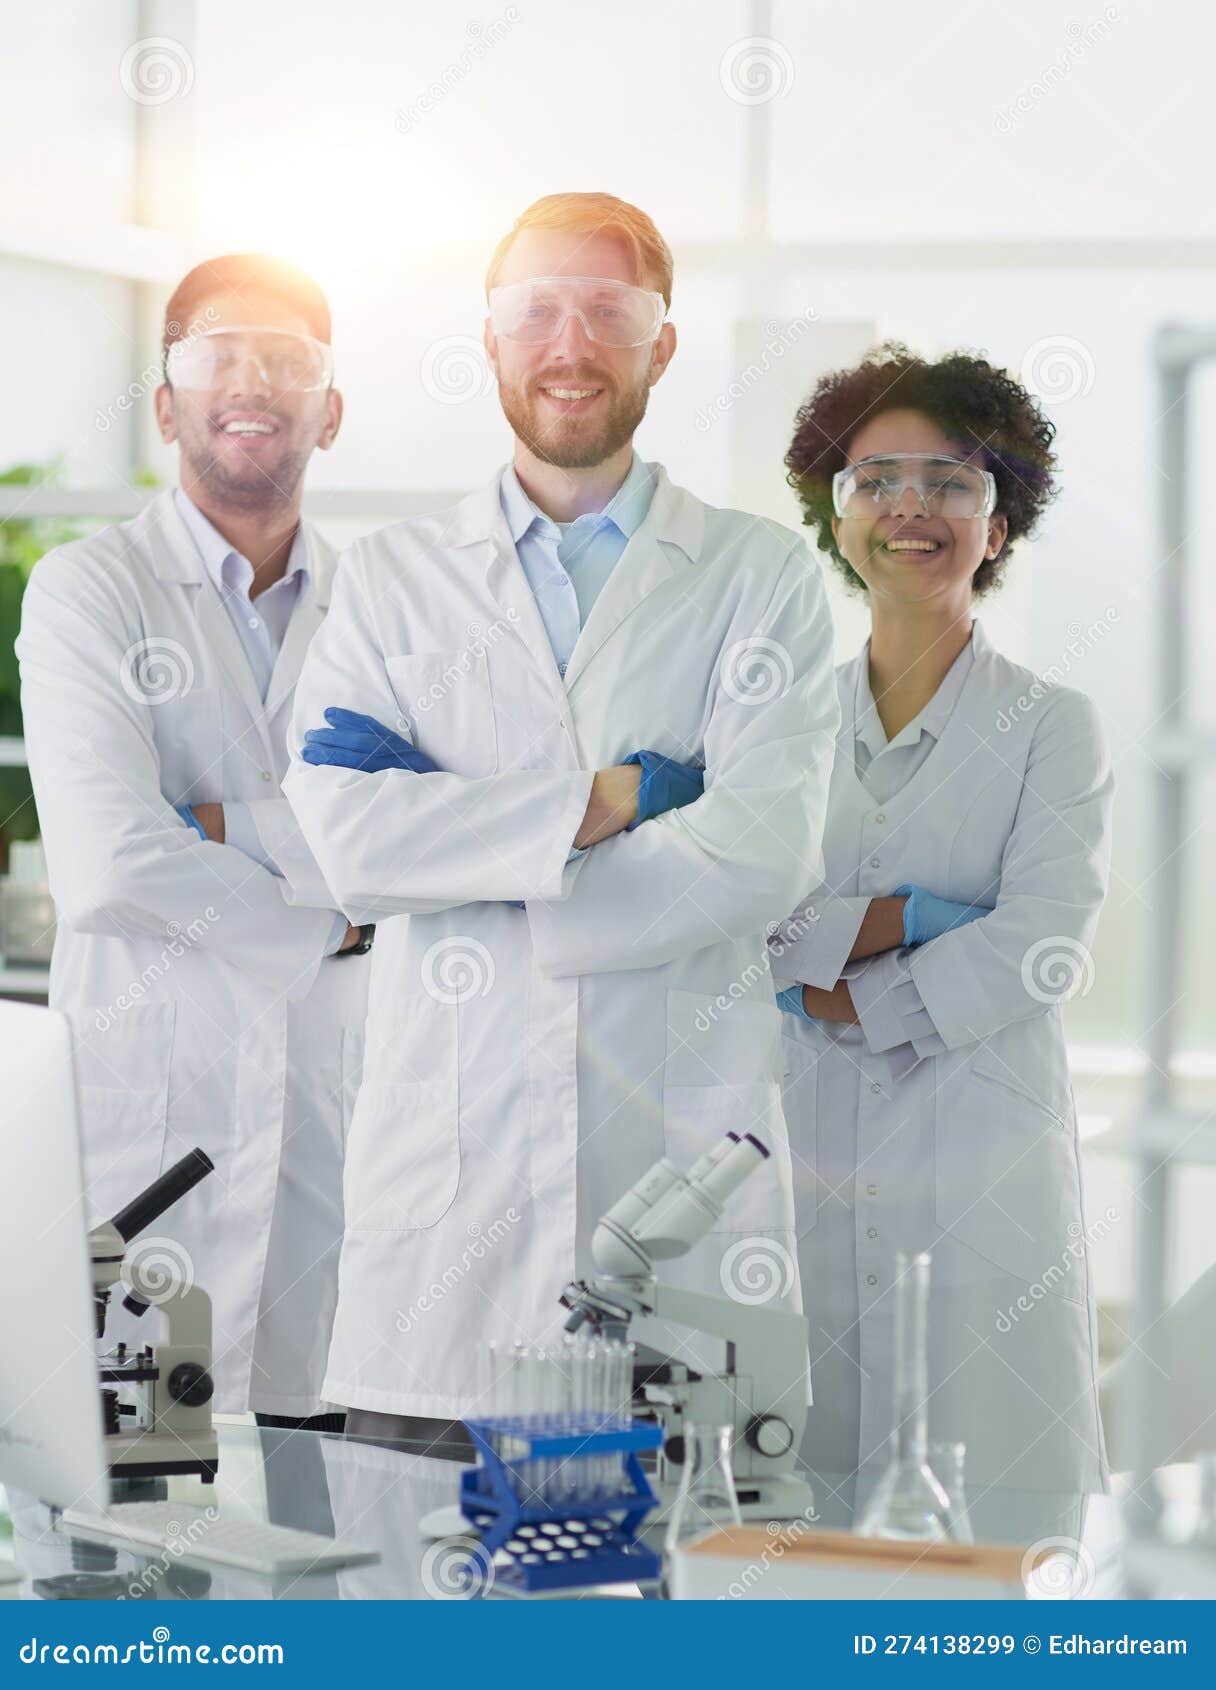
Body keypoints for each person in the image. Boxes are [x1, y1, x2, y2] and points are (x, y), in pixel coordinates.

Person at [283, 192, 840, 1443]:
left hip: (679, 1223)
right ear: (488, 341)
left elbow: (758, 858)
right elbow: (348, 846)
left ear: (664, 342)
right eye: (534, 310)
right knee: (419, 1619)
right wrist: (614, 799)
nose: (569, 343)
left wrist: (467, 847)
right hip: (442, 1240)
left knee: (675, 1617)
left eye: (610, 310)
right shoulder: (391, 581)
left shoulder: (759, 578)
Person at [17, 255, 371, 1428]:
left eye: (288, 361)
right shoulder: (88, 590)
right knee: (131, 1541)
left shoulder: (388, 610)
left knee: (329, 1542)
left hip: (339, 1156)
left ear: (332, 406)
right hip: (143, 1160)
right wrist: (338, 912)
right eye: (218, 354)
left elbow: (434, 849)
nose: (252, 383)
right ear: (166, 401)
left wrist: (219, 826)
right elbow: (114, 865)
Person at [768, 343, 1114, 1524]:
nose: (910, 507)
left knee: (993, 1560)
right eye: (876, 480)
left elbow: (1045, 940)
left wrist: (836, 988)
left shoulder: (1050, 725)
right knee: (792, 1551)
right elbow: (732, 916)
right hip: (805, 1184)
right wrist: (904, 923)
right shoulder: (777, 725)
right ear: (834, 513)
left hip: (984, 1191)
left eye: (952, 482)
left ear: (999, 524)